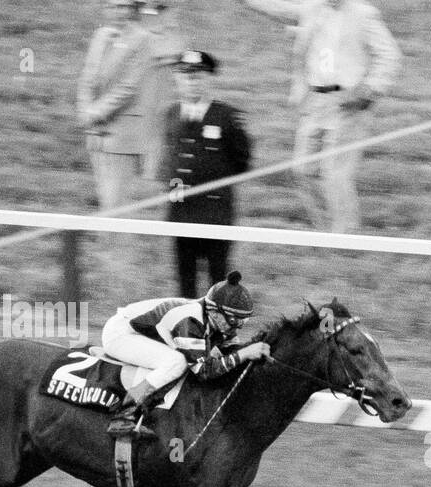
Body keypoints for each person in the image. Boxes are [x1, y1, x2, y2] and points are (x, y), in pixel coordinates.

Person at [241, 0, 401, 233]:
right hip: (315, 102)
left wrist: (369, 90)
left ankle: (344, 236)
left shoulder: (364, 15)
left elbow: (390, 55)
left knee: (335, 174)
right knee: (302, 171)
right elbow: (279, 8)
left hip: (348, 105)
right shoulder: (311, 8)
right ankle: (323, 231)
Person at [102, 271, 272, 436]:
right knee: (177, 362)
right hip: (120, 333)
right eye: (234, 320)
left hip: (139, 330)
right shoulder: (190, 321)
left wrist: (256, 350)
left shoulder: (217, 320)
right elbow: (205, 371)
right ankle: (124, 411)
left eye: (244, 320)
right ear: (215, 311)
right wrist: (246, 353)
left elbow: (233, 351)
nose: (237, 326)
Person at [158, 51, 253, 297]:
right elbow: (170, 163)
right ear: (178, 80)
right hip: (182, 213)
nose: (191, 82)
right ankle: (187, 331)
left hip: (215, 214)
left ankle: (216, 333)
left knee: (217, 283)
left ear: (209, 79)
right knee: (184, 284)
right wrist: (175, 192)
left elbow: (241, 162)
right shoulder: (171, 114)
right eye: (185, 77)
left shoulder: (227, 117)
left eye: (198, 77)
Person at [77, 0, 155, 212]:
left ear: (132, 9)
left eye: (125, 7)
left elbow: (129, 87)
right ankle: (107, 245)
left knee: (116, 205)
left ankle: (114, 246)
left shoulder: (142, 39)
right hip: (96, 134)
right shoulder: (101, 36)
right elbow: (87, 76)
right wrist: (85, 109)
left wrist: (96, 112)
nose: (120, 12)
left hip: (122, 134)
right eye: (114, 6)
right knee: (105, 203)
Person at [137, 0, 189, 177]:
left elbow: (180, 53)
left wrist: (165, 59)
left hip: (168, 87)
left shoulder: (174, 33)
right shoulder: (145, 32)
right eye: (171, 13)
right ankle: (147, 170)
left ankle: (153, 170)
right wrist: (167, 58)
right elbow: (149, 56)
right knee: (149, 127)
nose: (173, 17)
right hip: (148, 86)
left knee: (162, 128)